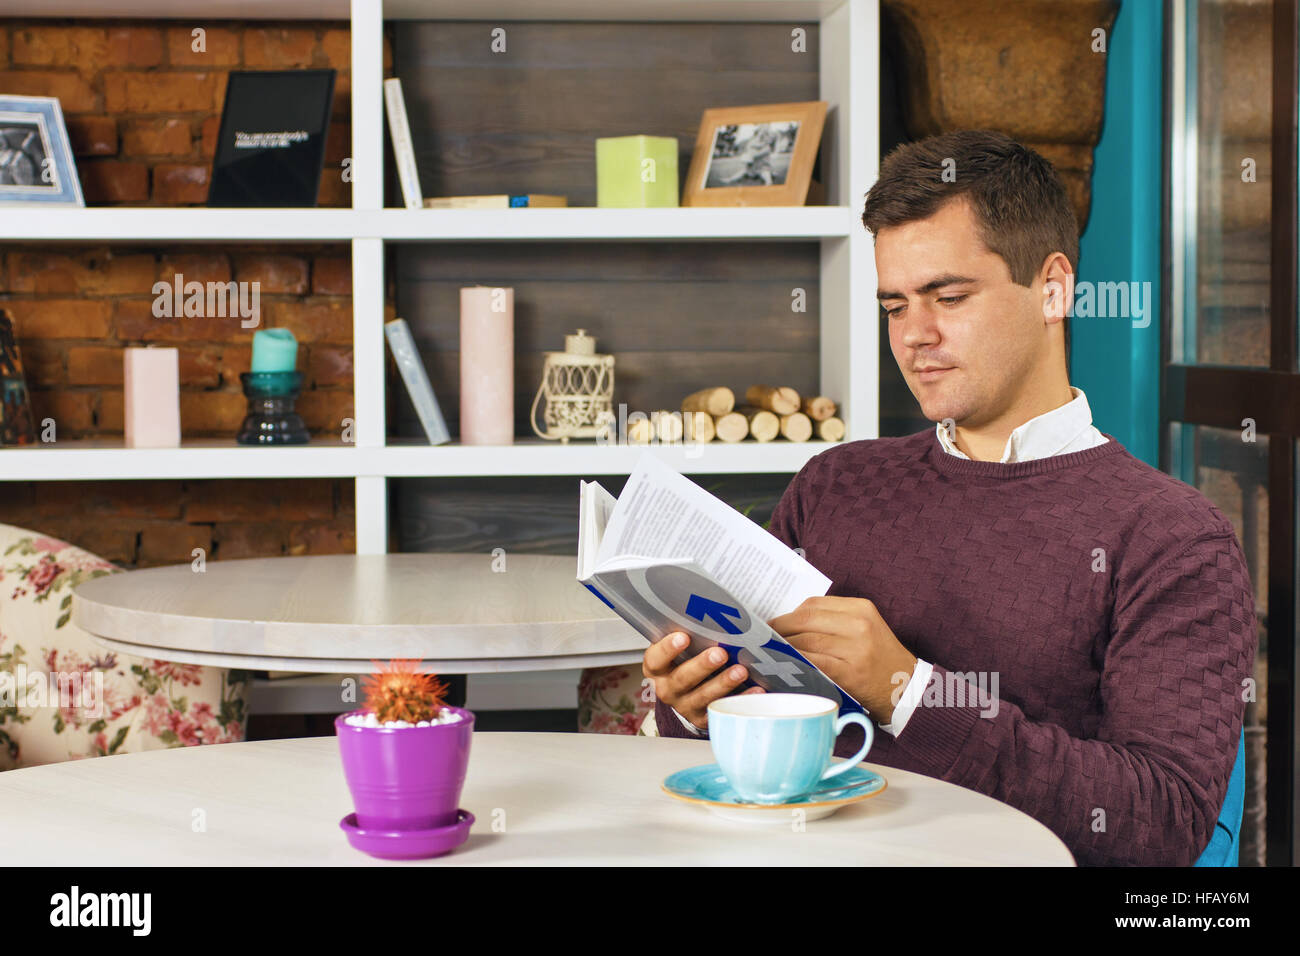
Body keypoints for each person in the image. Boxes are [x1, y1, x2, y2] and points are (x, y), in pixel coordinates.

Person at [646, 129, 1256, 866]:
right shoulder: (834, 485)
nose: (914, 336)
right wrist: (698, 705)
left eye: (950, 296)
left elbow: (1161, 824)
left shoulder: (1174, 538)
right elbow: (756, 744)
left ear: (1053, 288)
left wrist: (908, 690)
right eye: (895, 306)